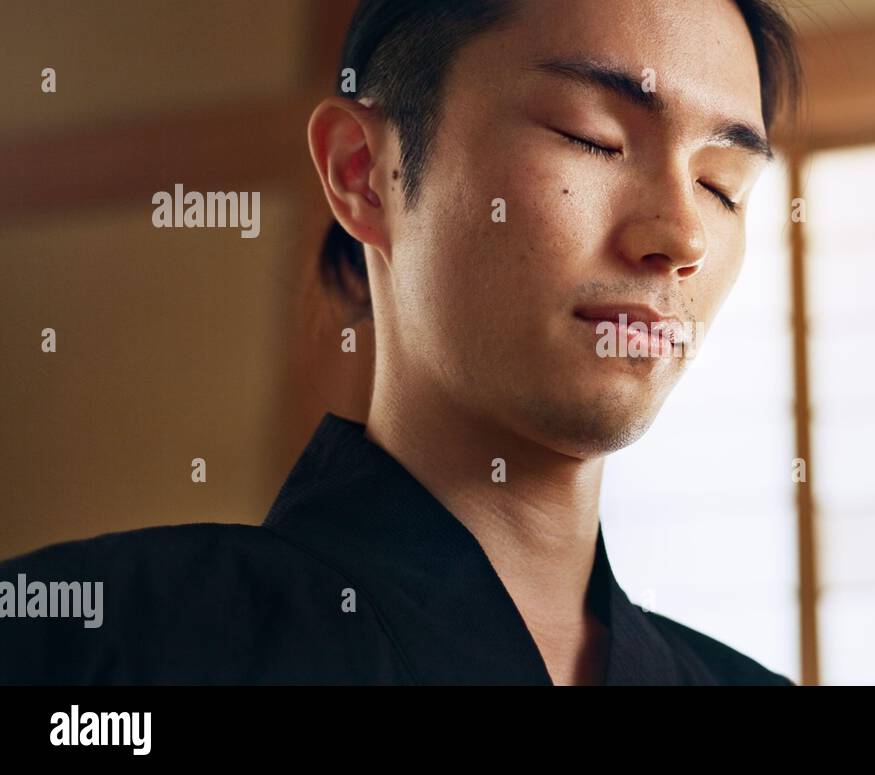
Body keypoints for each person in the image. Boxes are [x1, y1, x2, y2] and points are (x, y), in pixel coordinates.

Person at [0, 0, 802, 685]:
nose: (682, 233)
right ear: (362, 172)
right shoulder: (84, 646)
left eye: (721, 185)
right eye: (592, 137)